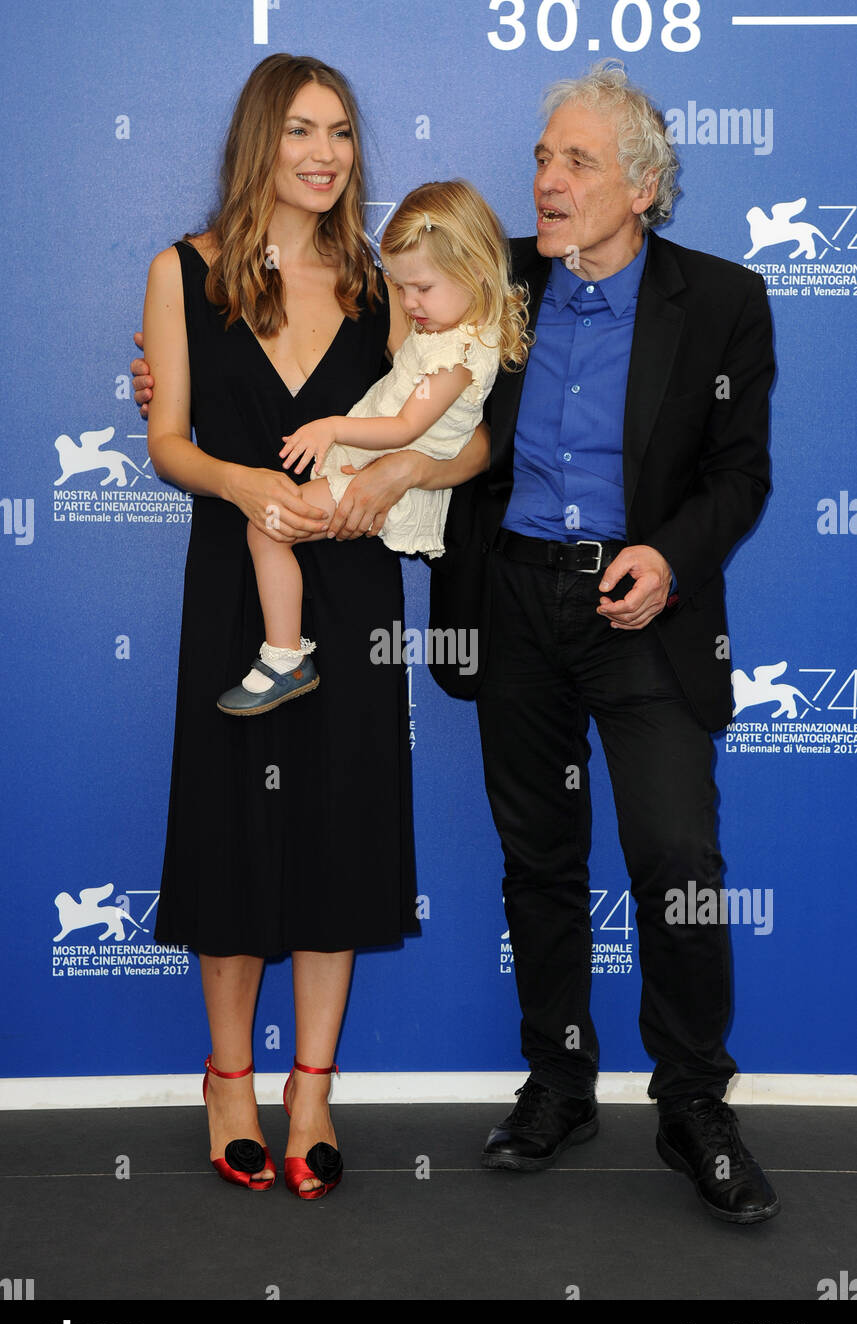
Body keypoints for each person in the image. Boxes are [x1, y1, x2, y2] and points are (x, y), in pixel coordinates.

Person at [427, 60, 780, 1223]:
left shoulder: (722, 301)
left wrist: (668, 556)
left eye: (575, 160)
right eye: (541, 157)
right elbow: (391, 353)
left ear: (641, 184)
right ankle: (560, 1080)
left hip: (646, 615)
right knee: (540, 862)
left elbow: (739, 475)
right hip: (516, 603)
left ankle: (692, 1104)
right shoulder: (501, 282)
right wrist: (182, 388)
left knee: (678, 861)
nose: (547, 179)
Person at [137, 53, 488, 1197]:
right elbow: (169, 439)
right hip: (236, 584)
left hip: (351, 589)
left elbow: (468, 435)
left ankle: (313, 1092)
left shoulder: (392, 283)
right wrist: (245, 488)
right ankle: (229, 1081)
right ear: (259, 140)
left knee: (339, 829)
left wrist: (388, 484)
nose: (325, 153)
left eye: (340, 132)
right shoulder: (182, 272)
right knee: (235, 830)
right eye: (300, 130)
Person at [217, 179, 528, 715]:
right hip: (374, 469)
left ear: (476, 272)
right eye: (401, 287)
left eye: (422, 289)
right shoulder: (452, 332)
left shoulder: (456, 357)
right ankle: (285, 653)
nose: (407, 303)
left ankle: (285, 657)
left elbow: (406, 427)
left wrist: (331, 427)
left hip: (383, 478)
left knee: (265, 526)